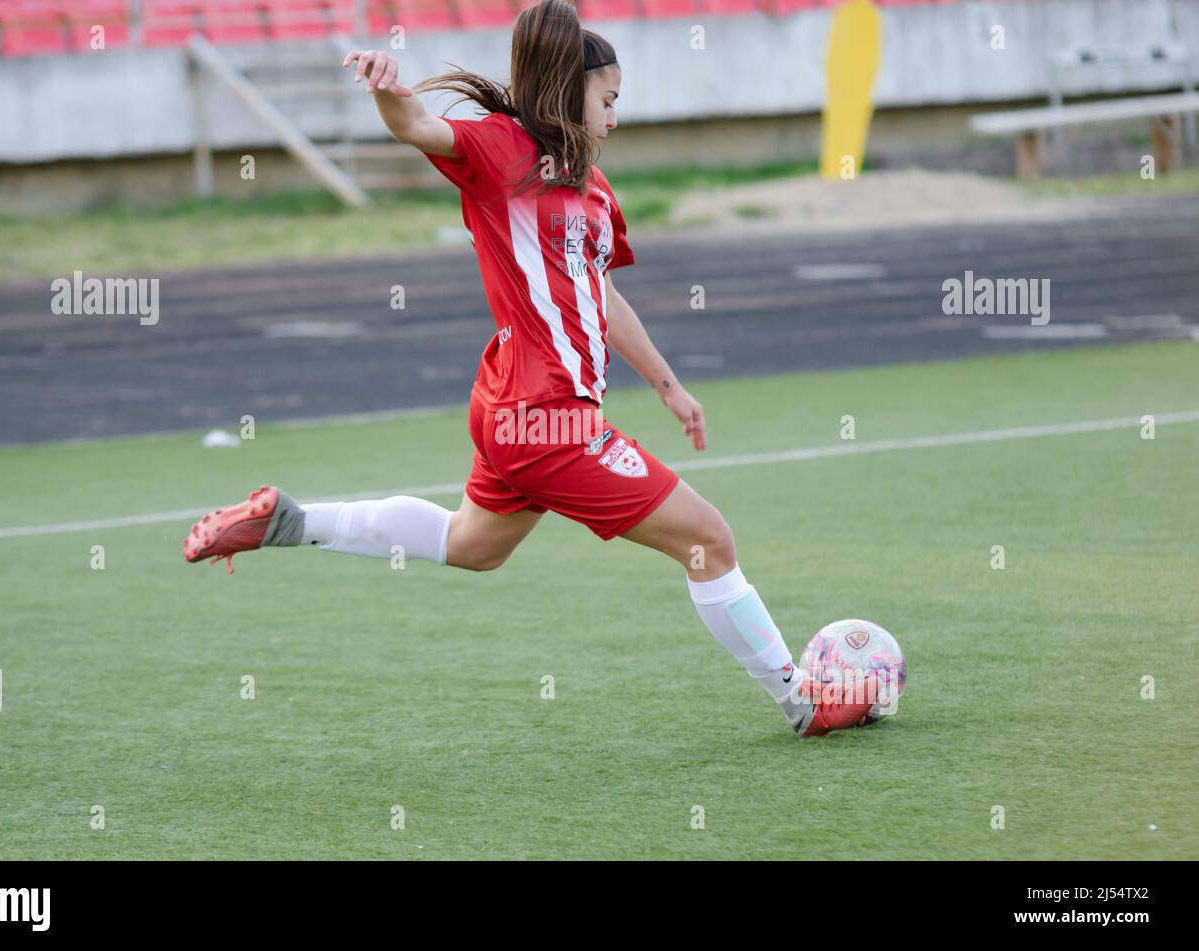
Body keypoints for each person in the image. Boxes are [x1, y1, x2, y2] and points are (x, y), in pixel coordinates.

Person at [183, 0, 874, 737]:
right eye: (607, 100)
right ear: (568, 92)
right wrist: (389, 85)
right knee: (709, 539)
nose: (614, 117)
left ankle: (291, 520)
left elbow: (600, 296)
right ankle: (803, 701)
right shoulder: (499, 151)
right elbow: (418, 126)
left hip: (516, 408)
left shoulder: (594, 192)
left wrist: (669, 386)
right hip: (545, 419)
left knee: (473, 546)